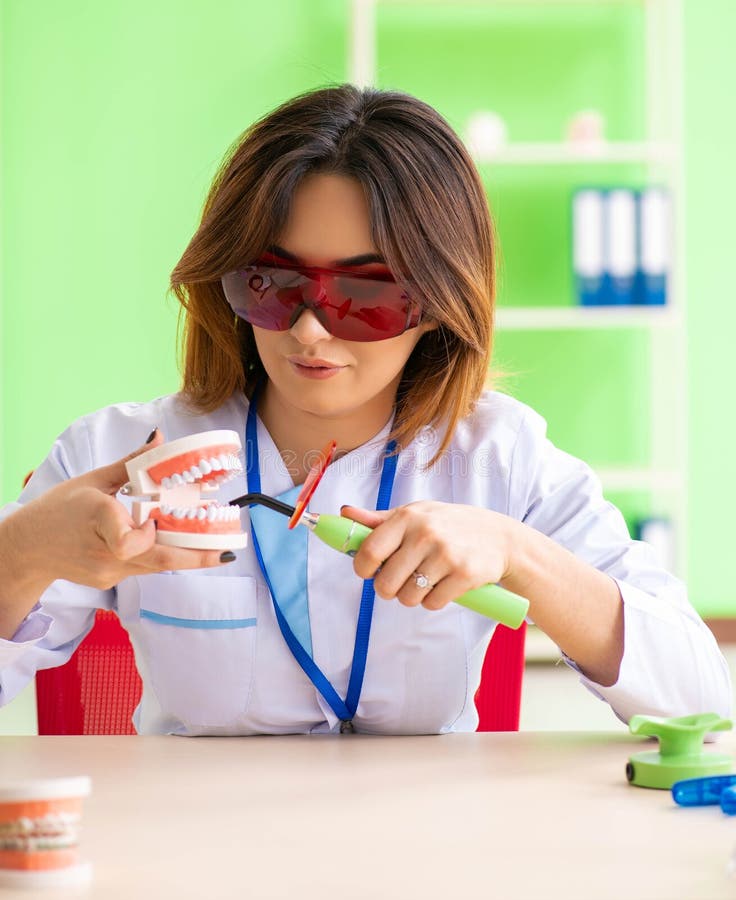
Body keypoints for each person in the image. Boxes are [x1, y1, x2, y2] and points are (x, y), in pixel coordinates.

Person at [0, 84, 730, 736]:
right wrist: (19, 555)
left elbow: (700, 697)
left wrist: (520, 556)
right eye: (273, 283)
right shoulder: (120, 452)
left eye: (367, 294)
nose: (309, 330)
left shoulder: (498, 458)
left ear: (441, 302)